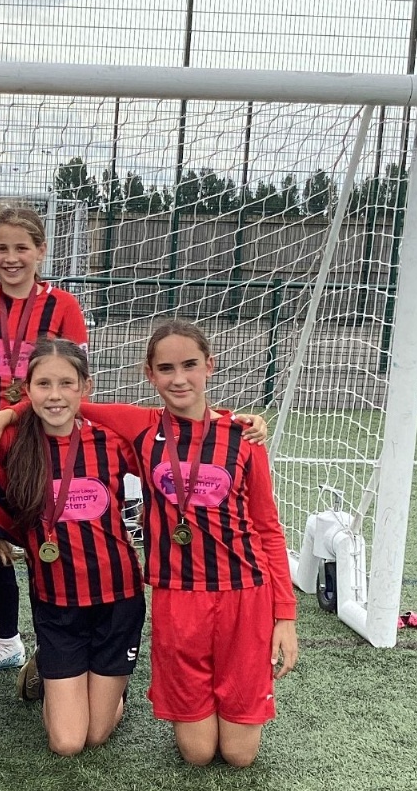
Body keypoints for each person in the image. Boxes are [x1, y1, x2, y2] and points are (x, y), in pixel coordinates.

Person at [77, 322, 296, 768]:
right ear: (149, 374)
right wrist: (0, 419)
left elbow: (268, 529)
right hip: (178, 595)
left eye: (190, 365)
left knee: (239, 755)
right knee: (197, 754)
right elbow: (57, 399)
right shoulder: (141, 428)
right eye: (166, 368)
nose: (179, 379)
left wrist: (285, 618)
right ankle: (111, 697)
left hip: (245, 594)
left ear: (209, 366)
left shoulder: (243, 436)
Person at [0, 339, 145, 757]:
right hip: (57, 602)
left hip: (118, 597)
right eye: (43, 384)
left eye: (67, 383)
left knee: (95, 735)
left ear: (85, 387)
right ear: (27, 389)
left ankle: (100, 685)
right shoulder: (12, 441)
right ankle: (51, 668)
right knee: (67, 743)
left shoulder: (111, 440)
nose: (55, 395)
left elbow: (174, 438)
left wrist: (237, 422)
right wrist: (5, 417)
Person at [0, 205, 88, 676]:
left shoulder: (63, 306)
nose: (11, 258)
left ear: (41, 251)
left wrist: (8, 415)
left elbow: (74, 382)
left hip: (38, 439)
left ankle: (59, 643)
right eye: (1, 248)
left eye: (22, 248)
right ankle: (7, 639)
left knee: (45, 540)